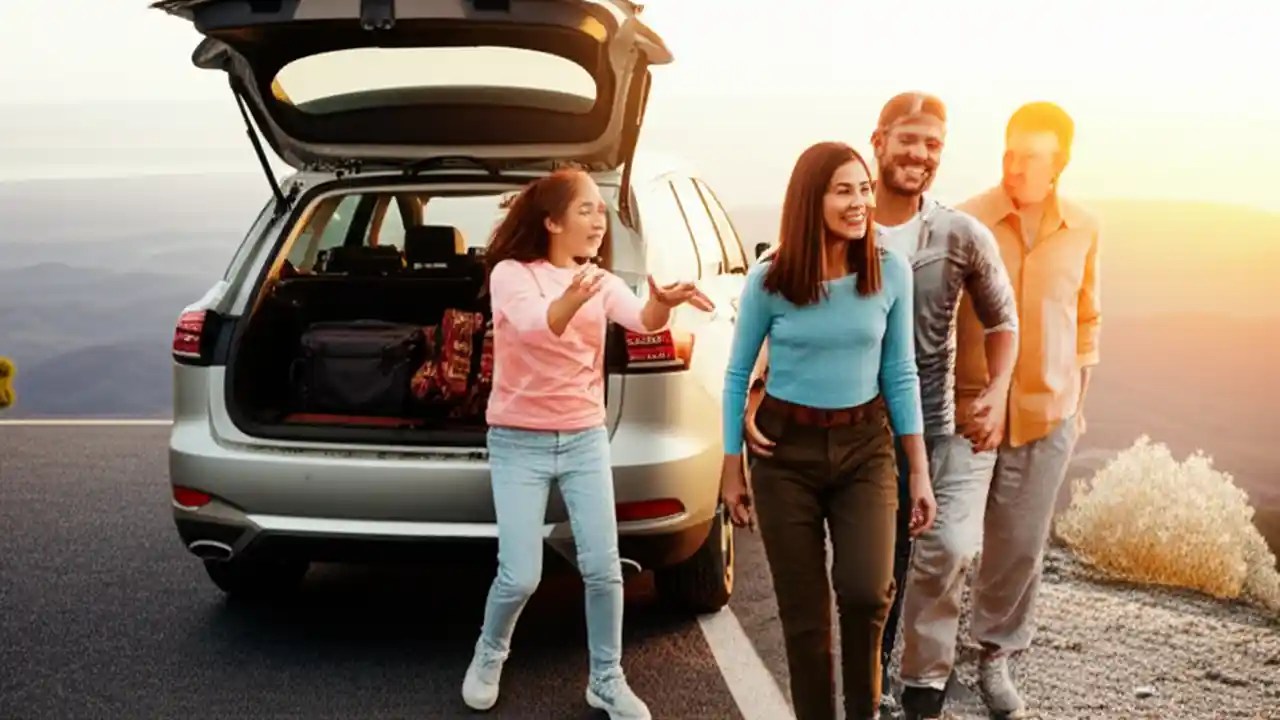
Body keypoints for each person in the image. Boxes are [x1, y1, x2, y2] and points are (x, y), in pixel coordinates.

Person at [740, 93, 1021, 714]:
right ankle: (876, 694)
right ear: (879, 140)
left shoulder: (955, 235)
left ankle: (909, 688)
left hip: (920, 426)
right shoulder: (811, 243)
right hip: (827, 429)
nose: (920, 155)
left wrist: (998, 394)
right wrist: (758, 392)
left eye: (934, 145)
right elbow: (777, 331)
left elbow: (1002, 319)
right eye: (909, 140)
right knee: (857, 586)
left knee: (895, 576)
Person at [462, 168, 714, 720]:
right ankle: (490, 652)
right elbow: (534, 327)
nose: (599, 220)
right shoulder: (511, 274)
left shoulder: (598, 281)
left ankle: (606, 679)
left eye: (600, 211)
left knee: (603, 568)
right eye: (585, 210)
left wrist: (663, 303)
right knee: (520, 573)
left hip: (582, 439)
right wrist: (575, 294)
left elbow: (642, 321)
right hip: (518, 442)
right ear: (552, 221)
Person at [719, 140, 937, 720]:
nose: (860, 201)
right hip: (784, 453)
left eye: (864, 188)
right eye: (844, 190)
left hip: (866, 447)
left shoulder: (889, 270)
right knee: (806, 617)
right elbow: (738, 371)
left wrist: (919, 470)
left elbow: (901, 370)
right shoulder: (771, 278)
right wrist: (731, 463)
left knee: (868, 592)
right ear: (810, 198)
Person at [904, 101, 1102, 720]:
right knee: (947, 546)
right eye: (1009, 152)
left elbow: (1088, 319)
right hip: (967, 415)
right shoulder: (964, 220)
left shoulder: (1085, 228)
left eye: (1030, 157)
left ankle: (994, 658)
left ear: (1059, 163)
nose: (1014, 166)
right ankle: (923, 676)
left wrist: (1077, 405)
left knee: (1019, 549)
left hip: (1048, 416)